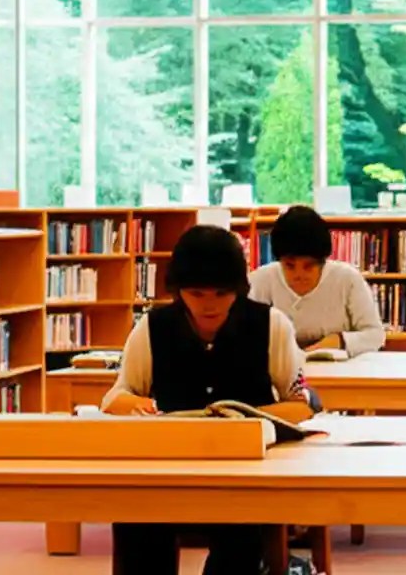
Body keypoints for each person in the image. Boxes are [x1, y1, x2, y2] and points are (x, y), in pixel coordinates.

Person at [101, 225, 320, 575]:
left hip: (246, 471)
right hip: (168, 468)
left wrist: (246, 416)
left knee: (241, 545)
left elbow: (302, 402)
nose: (209, 304)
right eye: (197, 292)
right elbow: (116, 396)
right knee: (136, 523)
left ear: (238, 289)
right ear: (178, 291)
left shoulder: (271, 325)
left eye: (221, 293)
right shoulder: (153, 327)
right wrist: (140, 406)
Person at [248, 206, 386, 357]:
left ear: (323, 262)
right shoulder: (260, 281)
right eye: (289, 265)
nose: (299, 274)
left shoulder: (348, 279)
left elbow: (376, 335)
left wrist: (340, 341)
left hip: (338, 372)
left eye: (308, 266)